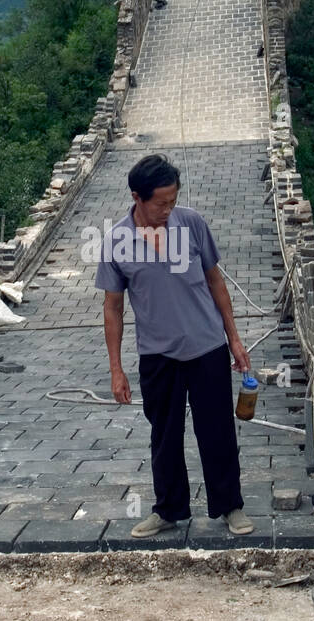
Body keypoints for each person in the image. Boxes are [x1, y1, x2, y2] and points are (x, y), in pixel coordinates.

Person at [93, 153, 255, 538]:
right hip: (157, 354)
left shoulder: (192, 223)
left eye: (173, 200)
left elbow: (216, 282)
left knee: (217, 431)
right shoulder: (117, 240)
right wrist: (116, 369)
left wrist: (234, 339)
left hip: (206, 347)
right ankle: (168, 509)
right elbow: (112, 308)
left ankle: (229, 505)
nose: (168, 209)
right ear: (137, 197)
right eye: (160, 202)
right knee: (164, 436)